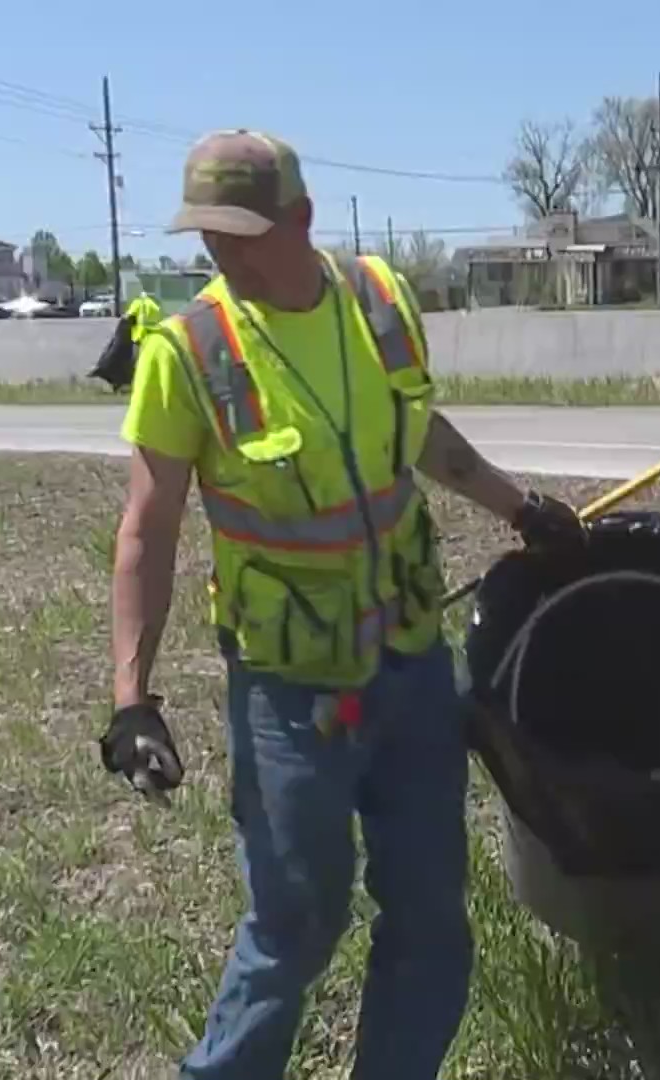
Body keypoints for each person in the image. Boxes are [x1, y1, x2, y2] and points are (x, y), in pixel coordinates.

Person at [96, 128, 588, 1080]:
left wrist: (519, 508)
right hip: (291, 695)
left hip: (409, 671)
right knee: (296, 925)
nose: (222, 254)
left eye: (241, 232)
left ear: (302, 219)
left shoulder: (377, 301)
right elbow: (146, 532)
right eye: (207, 234)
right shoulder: (189, 348)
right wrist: (131, 696)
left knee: (431, 918)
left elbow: (419, 432)